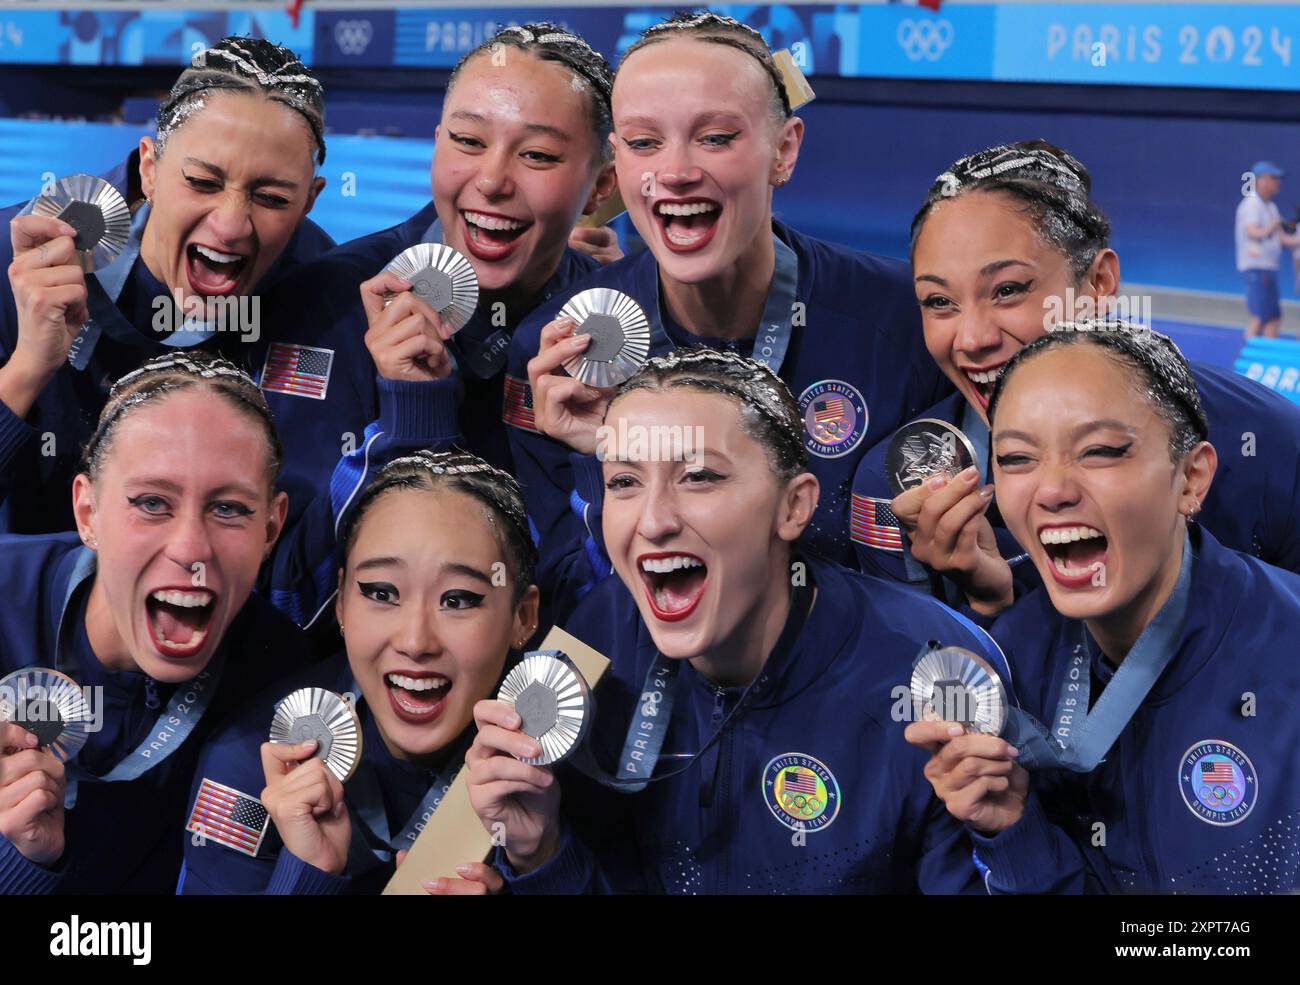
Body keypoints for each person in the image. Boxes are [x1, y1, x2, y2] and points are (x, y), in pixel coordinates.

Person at [466, 349, 1000, 894]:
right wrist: (540, 855)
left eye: (698, 477)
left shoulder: (931, 668)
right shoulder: (593, 642)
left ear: (794, 507)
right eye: (625, 482)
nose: (653, 522)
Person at [506, 12, 949, 620]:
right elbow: (572, 612)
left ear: (784, 149)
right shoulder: (558, 350)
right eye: (644, 142)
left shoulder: (903, 322)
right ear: (617, 162)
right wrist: (603, 457)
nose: (678, 171)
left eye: (716, 138)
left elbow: (954, 585)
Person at [907, 327, 1300, 894]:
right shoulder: (1006, 670)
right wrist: (1012, 832)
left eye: (1100, 451)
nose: (1053, 490)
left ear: (1192, 478)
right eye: (1017, 458)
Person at [259, 23, 619, 629]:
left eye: (537, 155)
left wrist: (600, 462)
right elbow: (287, 602)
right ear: (436, 144)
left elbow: (632, 616)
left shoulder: (623, 324)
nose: (492, 181)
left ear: (600, 186)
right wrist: (405, 420)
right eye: (468, 141)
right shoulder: (325, 306)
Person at [852, 141, 1300, 612]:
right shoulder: (897, 489)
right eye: (940, 301)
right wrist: (985, 606)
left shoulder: (1265, 443)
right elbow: (920, 678)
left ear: (1099, 284)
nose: (971, 338)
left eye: (1007, 290)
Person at [0, 37, 332, 535]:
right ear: (149, 168)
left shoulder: (325, 294)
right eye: (202, 182)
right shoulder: (20, 262)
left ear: (309, 201)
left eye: (271, 198)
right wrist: (27, 368)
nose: (230, 225)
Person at [0, 351, 304, 893]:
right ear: (88, 513)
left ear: (272, 527)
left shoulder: (287, 689)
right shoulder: (4, 593)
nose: (191, 548)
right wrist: (17, 863)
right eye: (152, 503)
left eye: (229, 508)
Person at [180, 450, 537, 894]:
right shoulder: (248, 761)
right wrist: (308, 873)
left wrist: (544, 862)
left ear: (523, 616)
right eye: (382, 592)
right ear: (343, 602)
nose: (415, 641)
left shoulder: (554, 766)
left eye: (458, 599)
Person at [1236, 161, 1299, 339]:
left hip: (1269, 268)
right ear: (1261, 181)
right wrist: (1271, 227)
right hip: (1256, 268)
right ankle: (1244, 361)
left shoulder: (1271, 207)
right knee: (1261, 316)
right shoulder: (1252, 204)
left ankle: (1265, 359)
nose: (1278, 182)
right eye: (1273, 178)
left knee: (1273, 317)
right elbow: (1252, 231)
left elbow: (1283, 239)